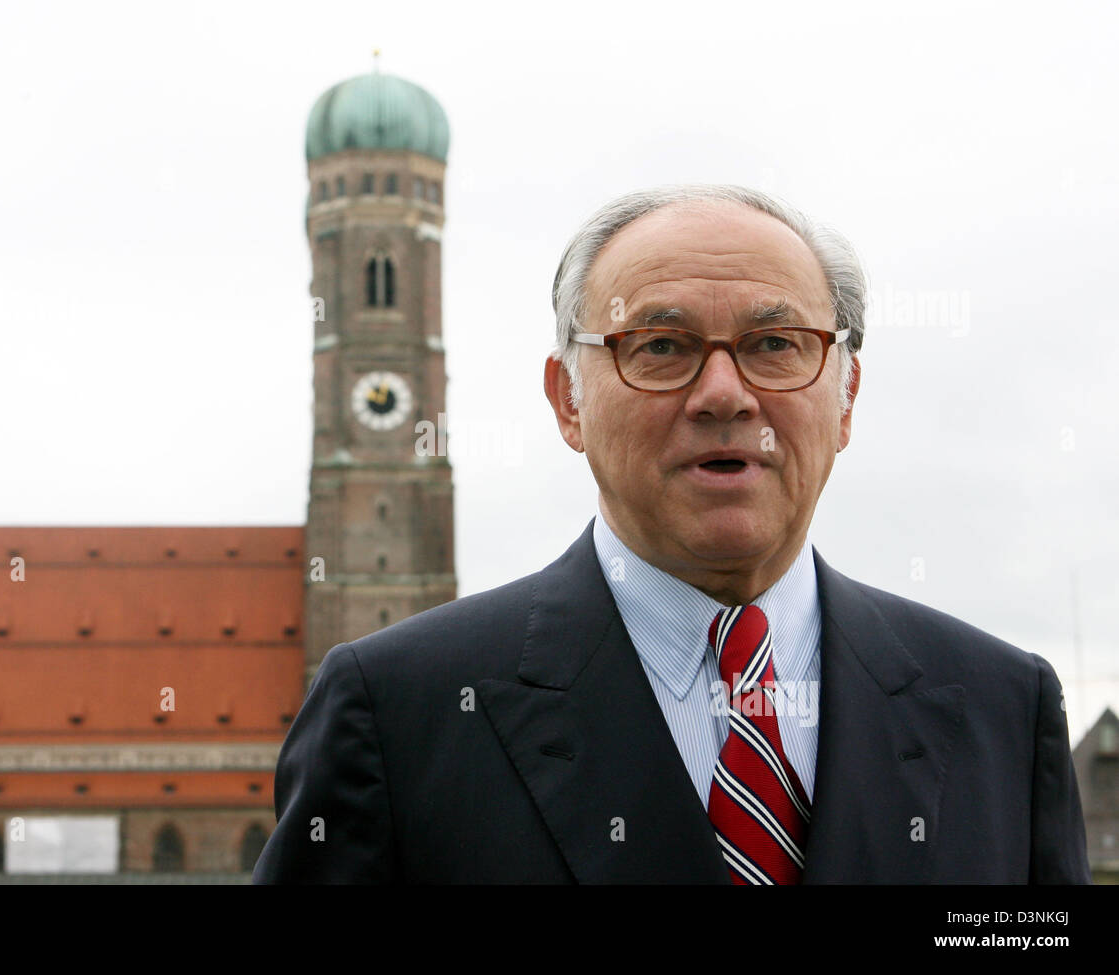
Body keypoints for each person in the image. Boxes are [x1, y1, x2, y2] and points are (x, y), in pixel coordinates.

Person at [252, 184, 1090, 884]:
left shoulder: (1000, 712)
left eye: (775, 343)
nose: (724, 394)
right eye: (660, 345)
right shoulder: (398, 713)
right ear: (568, 401)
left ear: (848, 396)